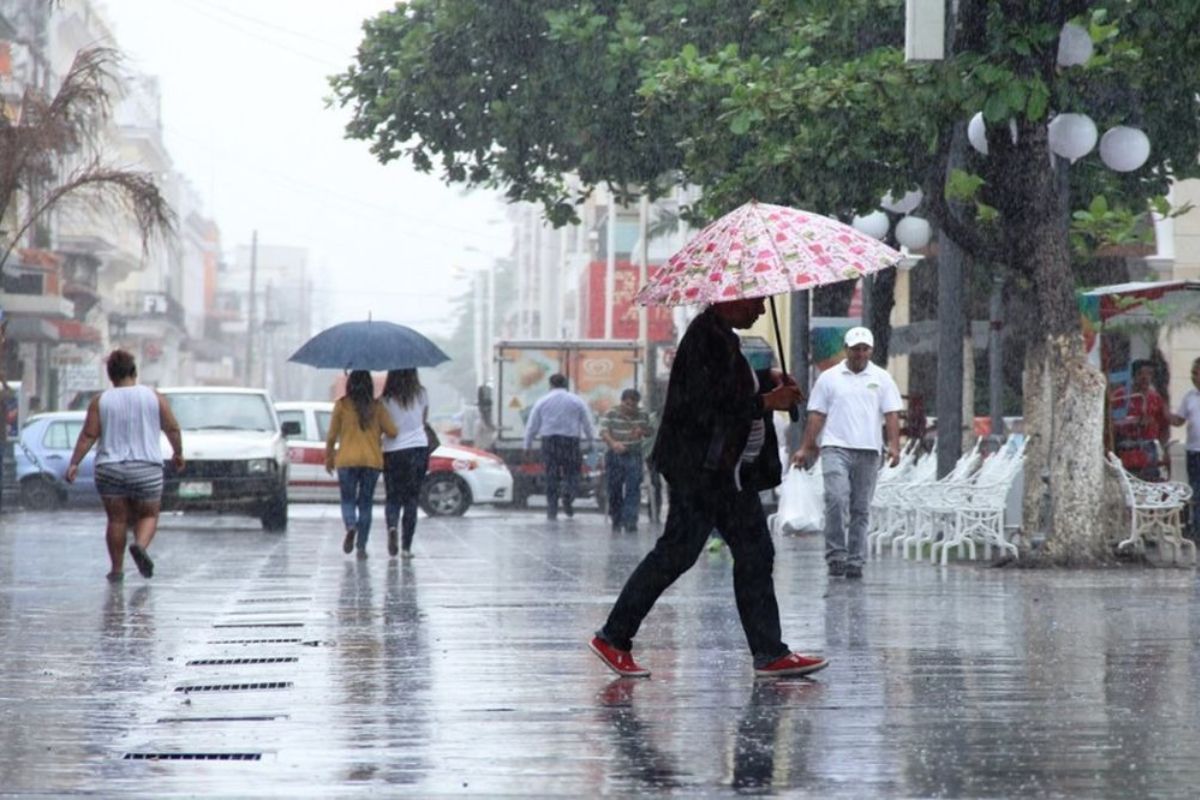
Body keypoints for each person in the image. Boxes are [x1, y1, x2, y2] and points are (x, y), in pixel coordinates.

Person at [589, 297, 827, 679]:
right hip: (701, 471)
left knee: (754, 553)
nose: (762, 311)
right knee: (677, 553)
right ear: (732, 299)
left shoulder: (723, 338)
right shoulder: (705, 339)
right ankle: (614, 636)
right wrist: (767, 400)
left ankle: (769, 651)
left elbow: (730, 386)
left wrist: (768, 379)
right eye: (757, 302)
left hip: (727, 473)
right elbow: (707, 405)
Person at [64, 349, 184, 582]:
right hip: (146, 467)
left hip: (110, 468)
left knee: (116, 519)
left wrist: (74, 463)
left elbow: (89, 435)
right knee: (149, 514)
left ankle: (117, 570)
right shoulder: (154, 397)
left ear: (111, 376)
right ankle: (139, 545)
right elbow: (172, 428)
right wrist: (178, 453)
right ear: (134, 372)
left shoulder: (101, 401)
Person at [793, 327, 902, 580]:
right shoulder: (830, 378)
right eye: (855, 349)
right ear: (846, 349)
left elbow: (891, 414)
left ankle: (855, 559)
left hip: (869, 450)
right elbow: (817, 414)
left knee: (860, 508)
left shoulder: (882, 378)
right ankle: (836, 556)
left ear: (871, 350)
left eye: (865, 349)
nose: (860, 354)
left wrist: (894, 445)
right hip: (835, 447)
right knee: (836, 499)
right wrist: (806, 446)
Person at [325, 370, 397, 559]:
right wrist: (377, 433)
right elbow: (393, 432)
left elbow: (332, 435)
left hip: (346, 461)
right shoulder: (377, 406)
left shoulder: (341, 405)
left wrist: (329, 459)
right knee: (365, 504)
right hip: (371, 461)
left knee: (347, 500)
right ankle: (361, 547)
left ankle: (350, 525)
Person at [523, 373, 595, 520]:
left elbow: (532, 426)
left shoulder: (542, 401)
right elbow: (587, 423)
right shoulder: (576, 401)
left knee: (551, 476)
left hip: (550, 442)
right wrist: (591, 442)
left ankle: (552, 509)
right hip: (571, 442)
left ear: (550, 385)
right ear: (566, 385)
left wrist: (527, 446)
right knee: (573, 473)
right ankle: (568, 495)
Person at [380, 368, 431, 558]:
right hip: (418, 447)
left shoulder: (385, 399)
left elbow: (383, 426)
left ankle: (392, 526)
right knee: (411, 498)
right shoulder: (421, 393)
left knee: (393, 497)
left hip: (393, 451)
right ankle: (406, 548)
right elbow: (424, 420)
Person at [600, 388, 655, 533]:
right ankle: (616, 518)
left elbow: (650, 431)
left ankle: (630, 520)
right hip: (615, 454)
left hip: (633, 454)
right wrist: (614, 444)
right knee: (614, 488)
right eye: (627, 404)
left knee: (633, 487)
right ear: (622, 402)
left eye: (633, 405)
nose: (630, 408)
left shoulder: (642, 415)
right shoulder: (611, 413)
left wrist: (642, 431)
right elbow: (604, 431)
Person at [1111, 359, 1170, 480]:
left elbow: (1164, 426)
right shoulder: (1120, 396)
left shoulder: (1156, 398)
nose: (1145, 377)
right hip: (1125, 447)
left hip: (1149, 449)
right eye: (1141, 374)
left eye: (1149, 374)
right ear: (1133, 375)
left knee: (1150, 484)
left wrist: (1164, 451)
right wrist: (1131, 421)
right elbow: (1109, 422)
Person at [1170, 356, 1200, 535]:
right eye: (1193, 373)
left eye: (1197, 373)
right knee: (1196, 491)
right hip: (1194, 452)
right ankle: (1196, 528)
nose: (1194, 377)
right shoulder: (1190, 397)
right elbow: (1179, 421)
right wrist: (1166, 413)